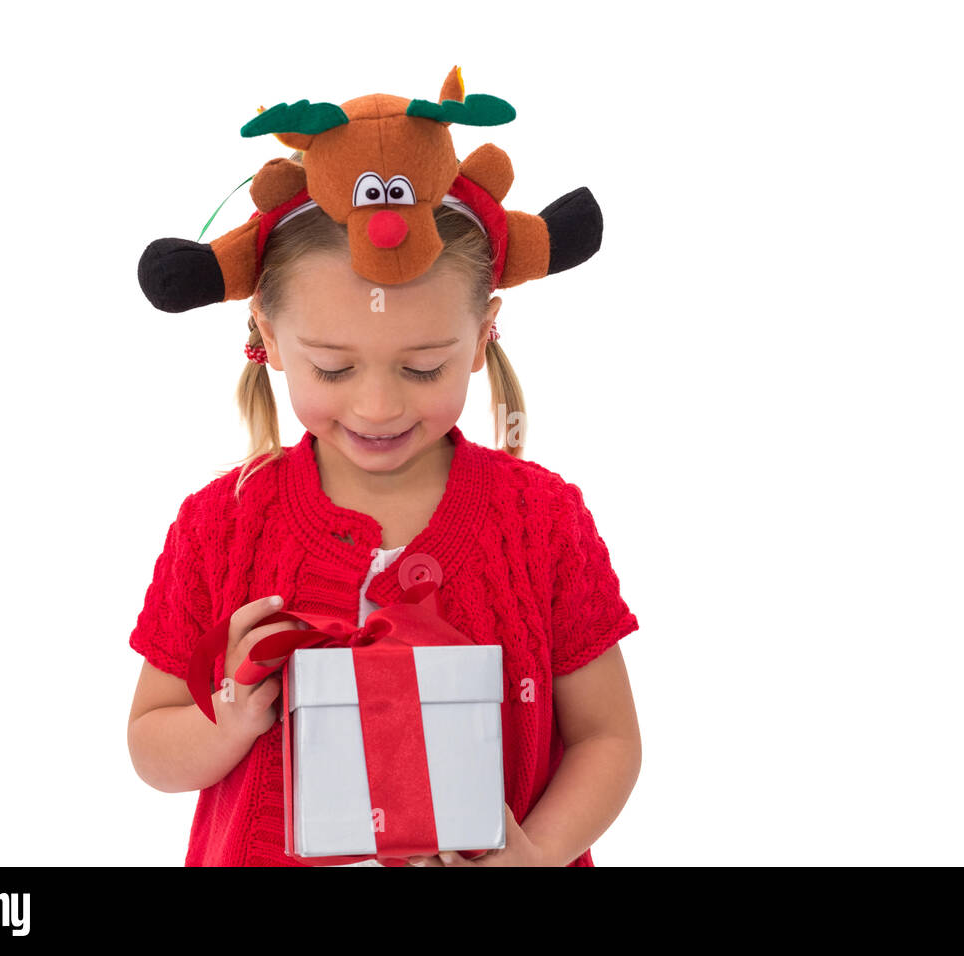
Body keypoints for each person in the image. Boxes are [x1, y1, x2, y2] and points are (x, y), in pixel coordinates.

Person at [126, 72, 641, 866]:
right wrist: (225, 720)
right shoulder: (221, 522)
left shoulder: (541, 520)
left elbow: (607, 736)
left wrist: (541, 853)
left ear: (481, 337)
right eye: (332, 370)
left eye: (424, 367)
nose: (375, 407)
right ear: (266, 334)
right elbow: (150, 743)